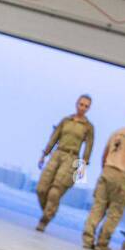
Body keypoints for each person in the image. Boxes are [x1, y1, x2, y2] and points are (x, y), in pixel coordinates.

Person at [83, 111, 125, 250]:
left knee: (98, 207)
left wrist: (105, 170)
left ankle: (88, 240)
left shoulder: (117, 132)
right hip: (122, 174)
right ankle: (102, 243)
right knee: (115, 212)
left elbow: (105, 154)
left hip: (107, 171)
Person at [34, 95, 94, 230]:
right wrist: (44, 154)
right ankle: (50, 211)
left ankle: (45, 219)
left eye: (86, 106)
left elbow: (88, 147)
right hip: (57, 154)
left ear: (89, 108)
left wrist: (82, 167)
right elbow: (54, 137)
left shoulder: (88, 127)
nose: (83, 108)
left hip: (72, 158)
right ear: (76, 104)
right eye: (81, 104)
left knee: (55, 192)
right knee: (41, 189)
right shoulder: (66, 121)